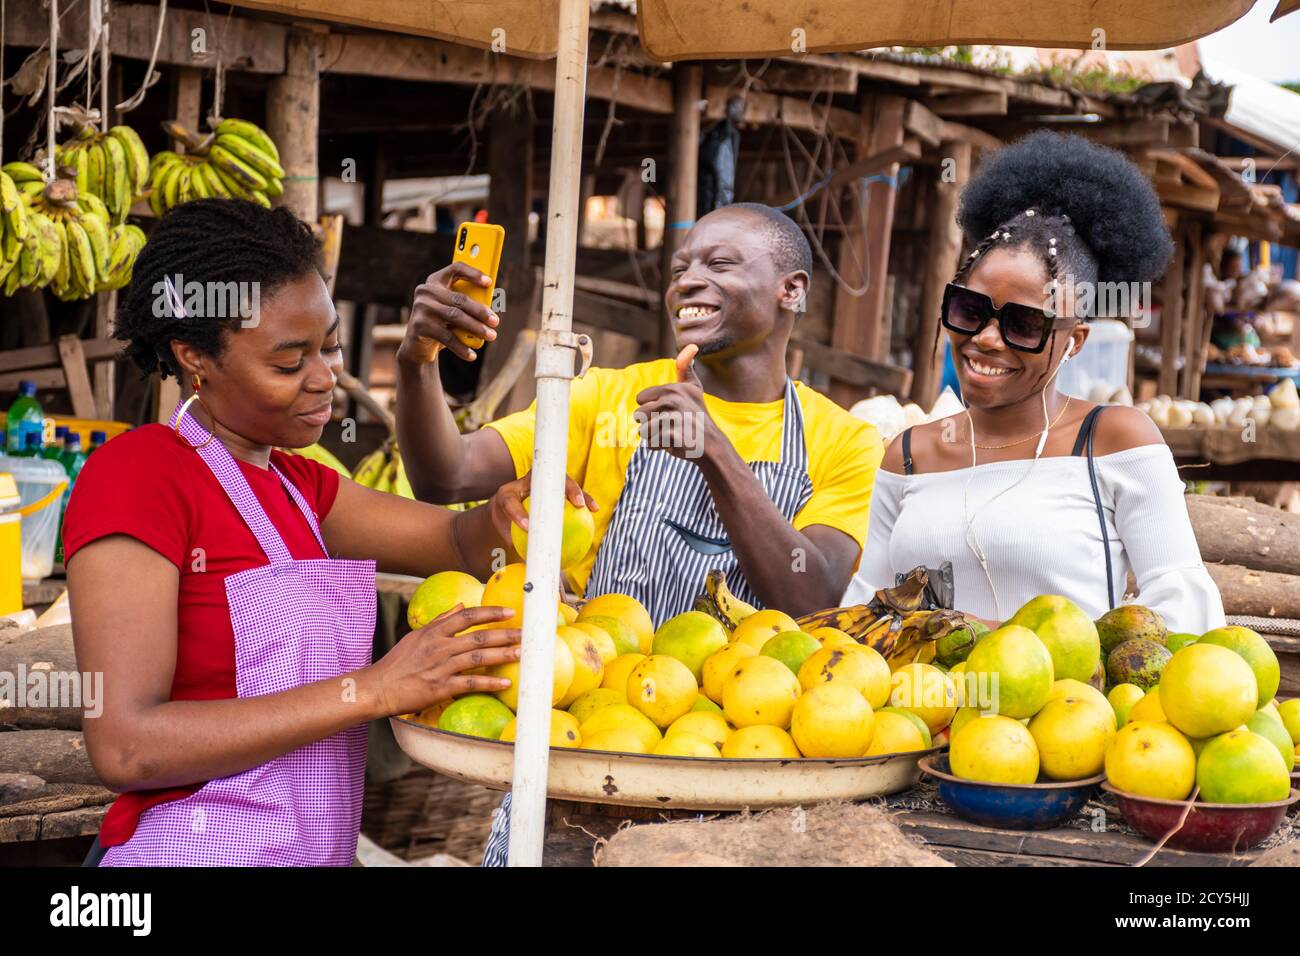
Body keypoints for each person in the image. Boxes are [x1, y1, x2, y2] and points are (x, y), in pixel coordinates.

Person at [63, 200, 590, 866]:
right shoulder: (139, 475)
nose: (325, 380)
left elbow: (462, 545)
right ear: (194, 354)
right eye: (289, 364)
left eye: (330, 348)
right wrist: (372, 689)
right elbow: (125, 746)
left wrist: (517, 513)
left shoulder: (300, 486)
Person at [397, 202, 883, 625]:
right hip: (600, 700)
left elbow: (812, 599)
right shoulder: (610, 396)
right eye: (678, 271)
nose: (689, 282)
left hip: (747, 715)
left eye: (719, 264)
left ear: (791, 289)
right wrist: (416, 362)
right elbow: (447, 476)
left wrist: (714, 451)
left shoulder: (846, 440)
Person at [843, 131, 1225, 635]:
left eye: (1023, 324)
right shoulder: (909, 455)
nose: (986, 338)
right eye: (969, 310)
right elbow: (864, 608)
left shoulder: (1114, 440)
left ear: (1075, 340)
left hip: (1068, 709)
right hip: (913, 711)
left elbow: (1186, 617)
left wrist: (990, 636)